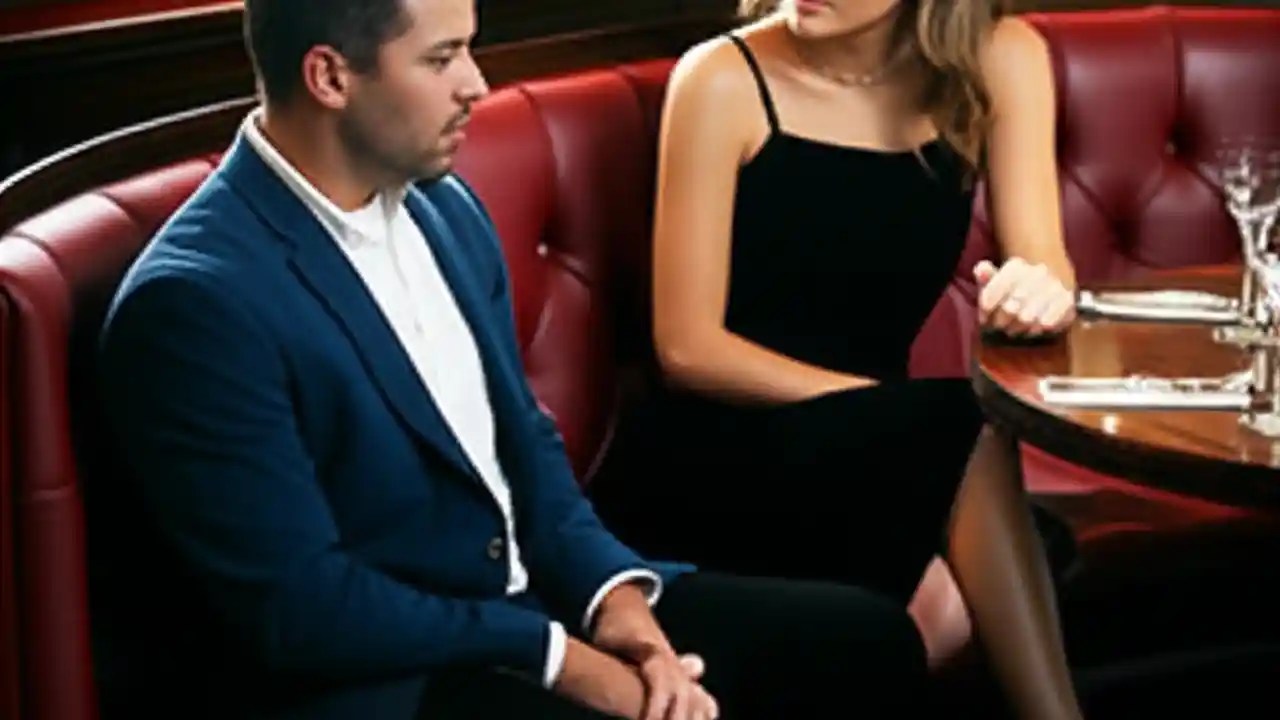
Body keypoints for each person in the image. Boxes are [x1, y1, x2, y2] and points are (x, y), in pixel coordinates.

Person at [94, 0, 938, 718]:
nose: (478, 84)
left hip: (531, 608)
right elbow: (302, 610)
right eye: (443, 57)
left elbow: (529, 459)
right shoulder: (196, 305)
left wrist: (624, 608)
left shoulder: (445, 207)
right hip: (391, 682)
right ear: (330, 77)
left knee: (866, 644)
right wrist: (562, 658)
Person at [587, 0, 1086, 719]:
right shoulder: (723, 79)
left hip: (870, 456)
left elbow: (1047, 265)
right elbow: (688, 349)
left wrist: (1040, 293)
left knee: (989, 546)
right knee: (967, 430)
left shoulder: (1003, 58)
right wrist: (886, 413)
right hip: (716, 458)